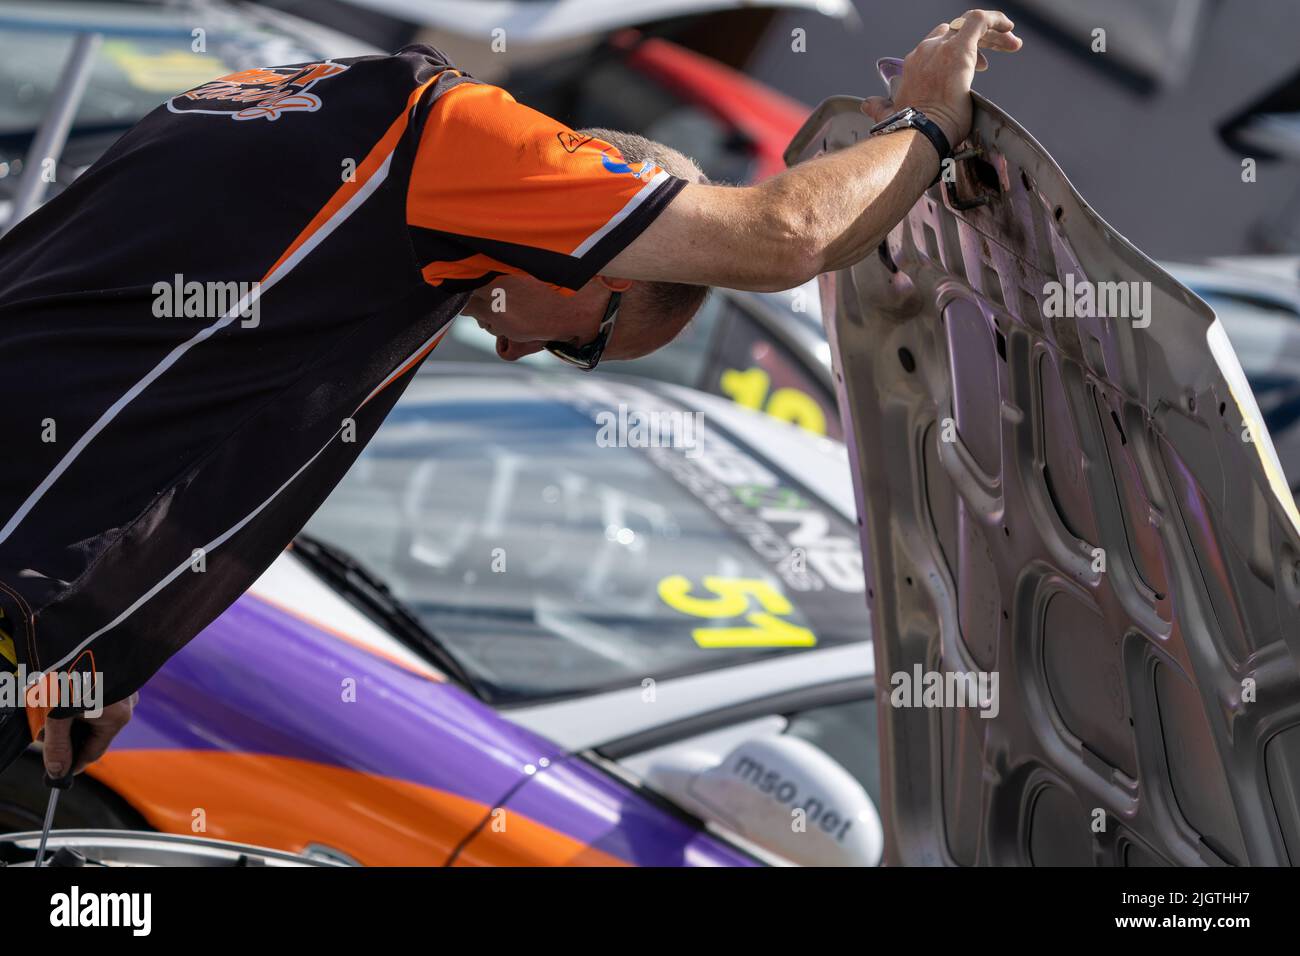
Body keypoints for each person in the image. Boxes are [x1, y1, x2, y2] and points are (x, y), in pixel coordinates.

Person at [0, 11, 1021, 779]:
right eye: (580, 346)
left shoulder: (333, 111)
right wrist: (925, 123)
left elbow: (178, 387)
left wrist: (101, 650)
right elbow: (782, 236)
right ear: (605, 262)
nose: (516, 351)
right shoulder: (446, 138)